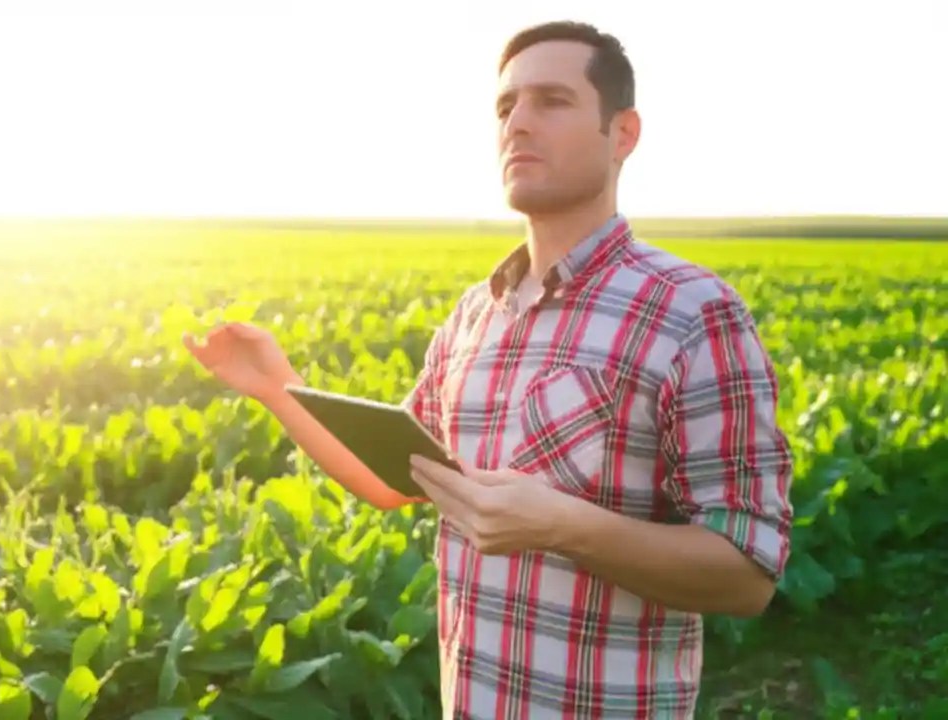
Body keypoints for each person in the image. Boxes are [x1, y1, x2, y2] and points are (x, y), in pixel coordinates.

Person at [183, 20, 794, 719]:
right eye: (506, 107)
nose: (518, 124)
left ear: (623, 134)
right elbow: (397, 482)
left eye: (552, 101)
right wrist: (277, 387)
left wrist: (564, 526)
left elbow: (748, 575)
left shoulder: (691, 311)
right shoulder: (477, 314)